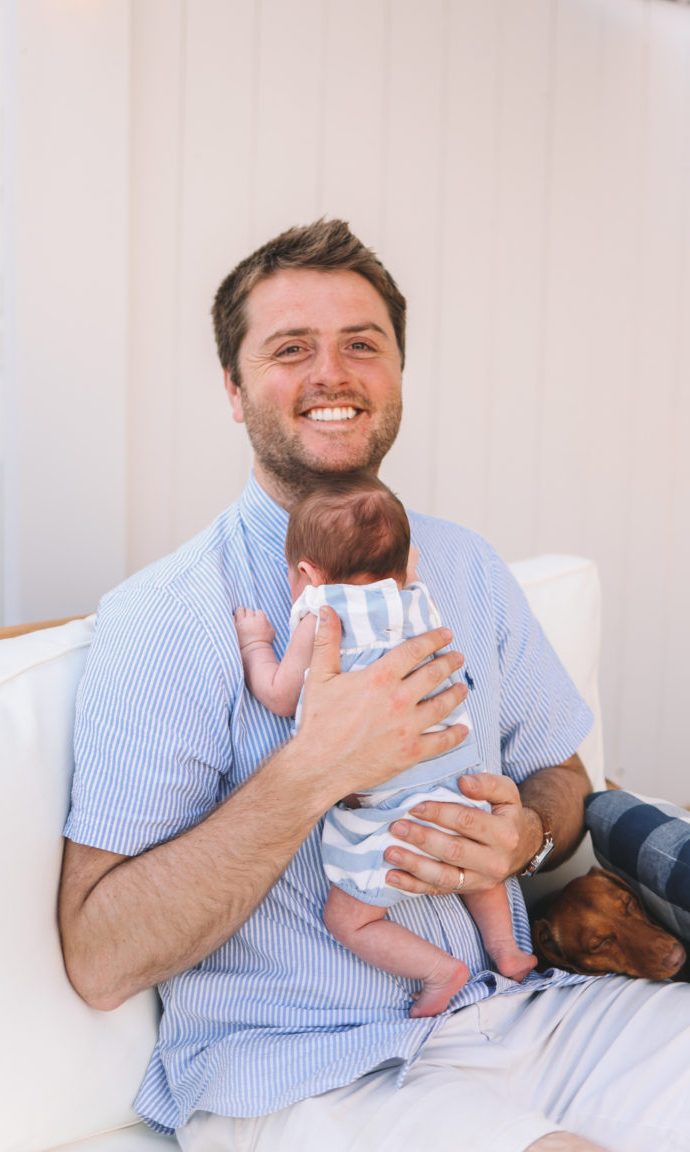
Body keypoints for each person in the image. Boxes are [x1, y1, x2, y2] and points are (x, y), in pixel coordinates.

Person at [59, 218, 690, 1152]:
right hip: (301, 1068)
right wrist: (316, 767)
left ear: (397, 375)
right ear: (234, 391)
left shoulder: (468, 568)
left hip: (521, 1010)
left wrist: (521, 836)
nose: (333, 373)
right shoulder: (165, 619)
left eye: (364, 344)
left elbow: (566, 781)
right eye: (289, 349)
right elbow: (100, 955)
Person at [234, 471, 536, 1015]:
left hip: (387, 814)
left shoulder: (319, 615)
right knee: (481, 867)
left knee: (348, 919)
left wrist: (257, 643)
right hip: (456, 786)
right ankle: (508, 950)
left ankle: (440, 972)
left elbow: (280, 695)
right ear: (404, 562)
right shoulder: (417, 598)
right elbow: (406, 563)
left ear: (306, 574)